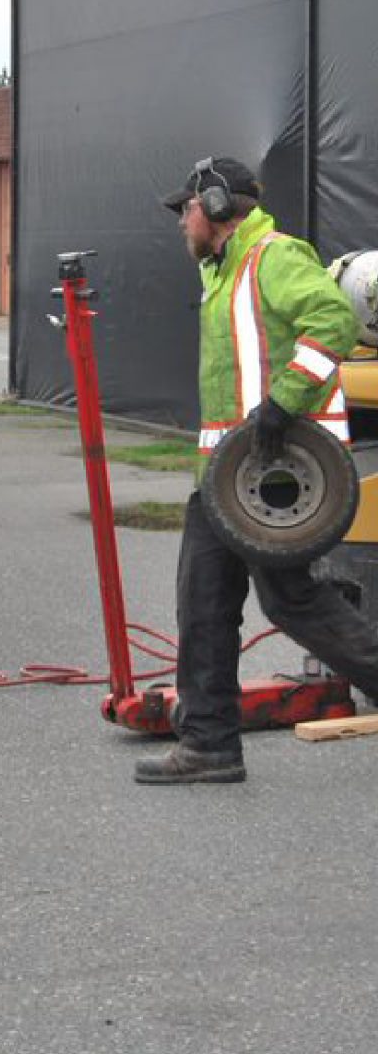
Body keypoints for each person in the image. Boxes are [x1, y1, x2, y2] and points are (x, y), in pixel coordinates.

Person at [136, 157, 378, 784]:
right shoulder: (221, 271)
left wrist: (283, 403)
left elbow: (334, 320)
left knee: (292, 601)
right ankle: (209, 744)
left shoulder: (274, 256)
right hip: (226, 478)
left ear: (217, 206)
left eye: (187, 208)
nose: (181, 221)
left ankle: (209, 741)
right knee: (204, 602)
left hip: (276, 475)